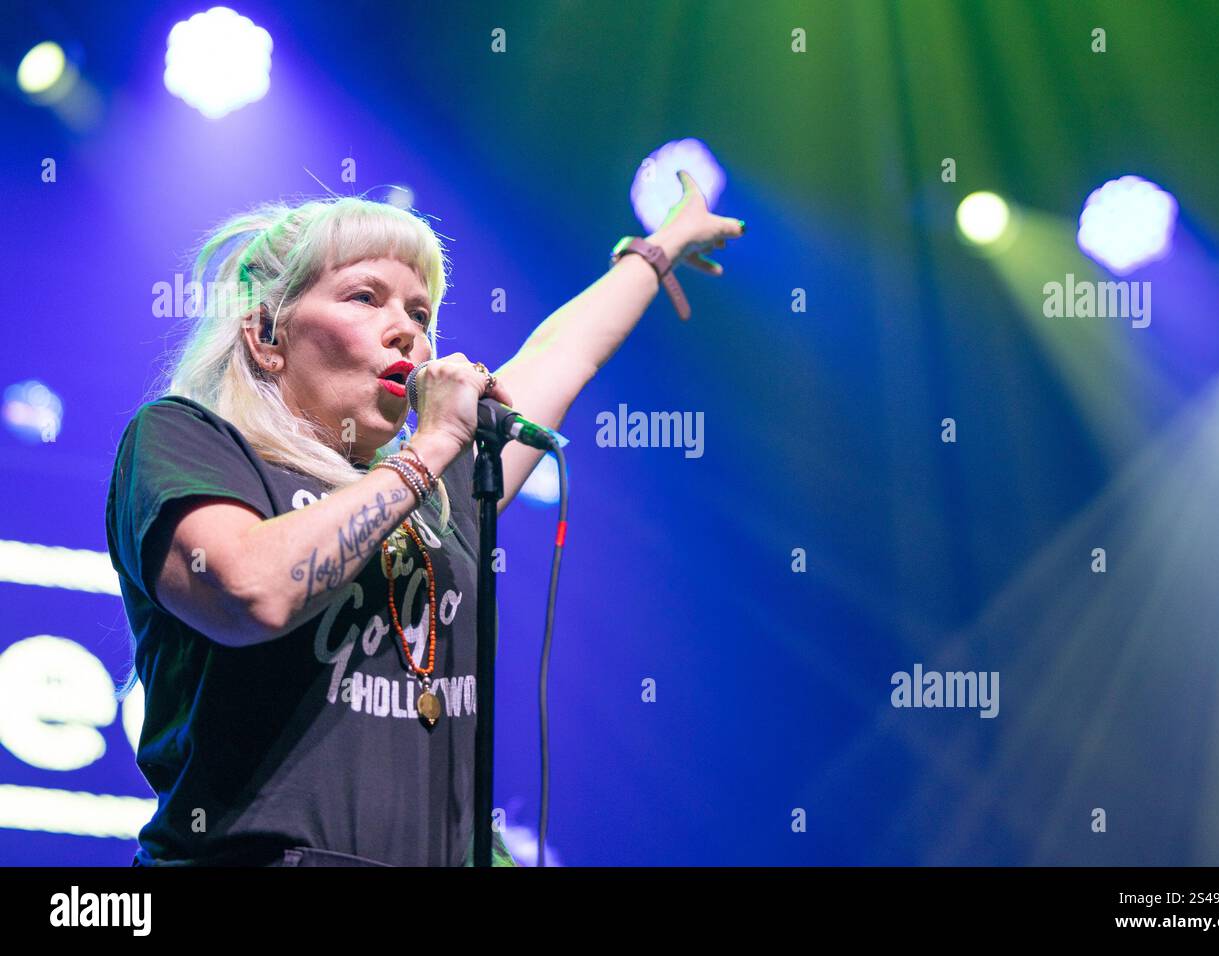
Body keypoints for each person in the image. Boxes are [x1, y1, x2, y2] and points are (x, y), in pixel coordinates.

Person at [105, 174, 744, 866]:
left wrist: (660, 246)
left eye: (420, 313)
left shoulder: (440, 494)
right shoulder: (187, 441)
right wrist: (431, 445)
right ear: (266, 333)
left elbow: (562, 353)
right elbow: (251, 592)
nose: (406, 330)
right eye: (365, 297)